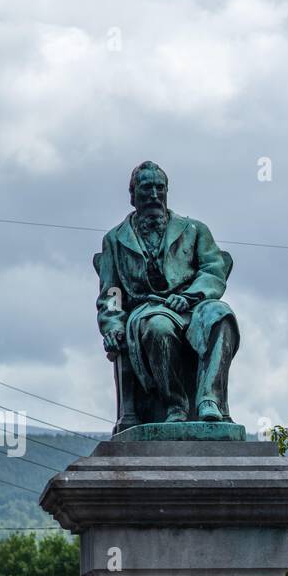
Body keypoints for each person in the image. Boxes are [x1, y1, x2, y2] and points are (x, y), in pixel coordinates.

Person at [95, 161, 239, 430]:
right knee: (158, 326)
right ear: (132, 195)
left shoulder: (194, 230)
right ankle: (177, 406)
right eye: (146, 188)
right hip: (147, 309)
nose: (153, 196)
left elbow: (213, 269)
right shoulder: (115, 240)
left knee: (222, 314)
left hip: (193, 304)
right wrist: (113, 326)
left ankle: (209, 400)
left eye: (159, 188)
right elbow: (111, 292)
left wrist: (191, 295)